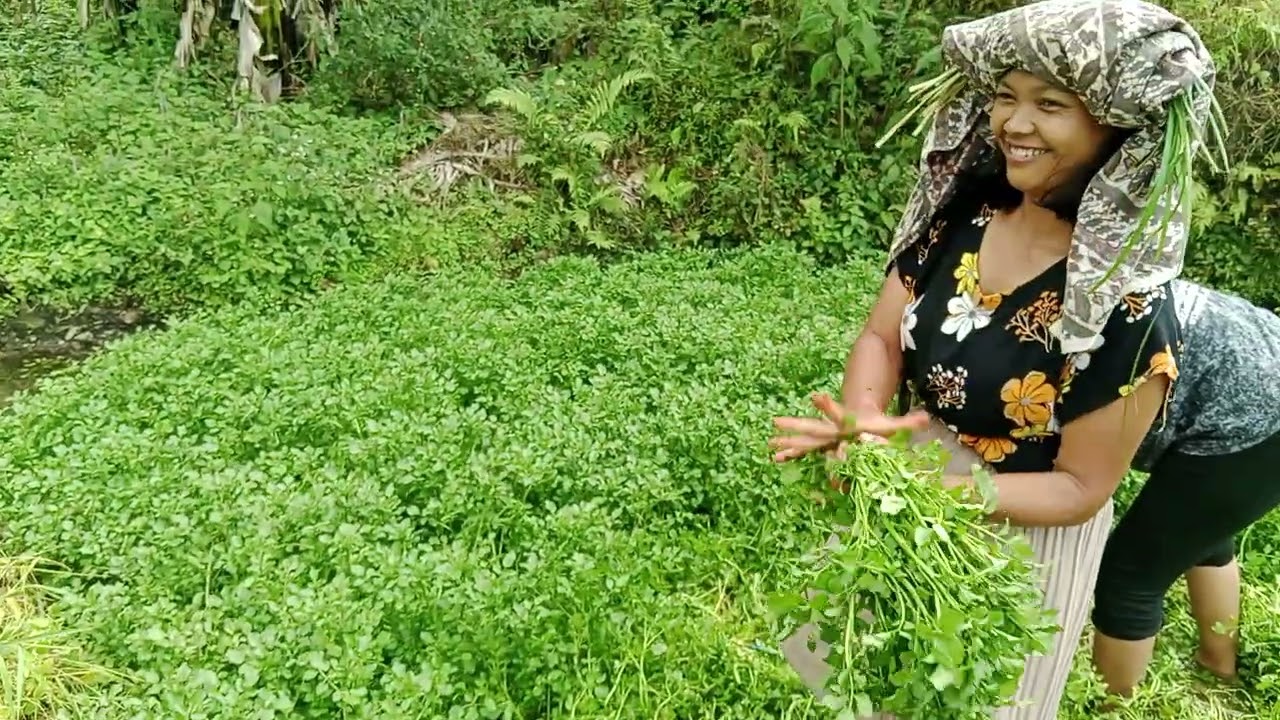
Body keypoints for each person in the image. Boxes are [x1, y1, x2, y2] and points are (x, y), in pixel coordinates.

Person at [768, 0, 1280, 717]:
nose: (1014, 122)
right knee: (862, 676)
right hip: (914, 476)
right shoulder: (961, 219)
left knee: (973, 697)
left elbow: (1079, 489)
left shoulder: (1124, 305)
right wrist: (862, 422)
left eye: (1049, 104)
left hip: (1024, 532)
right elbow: (883, 336)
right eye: (1005, 97)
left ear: (1115, 131)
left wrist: (937, 496)